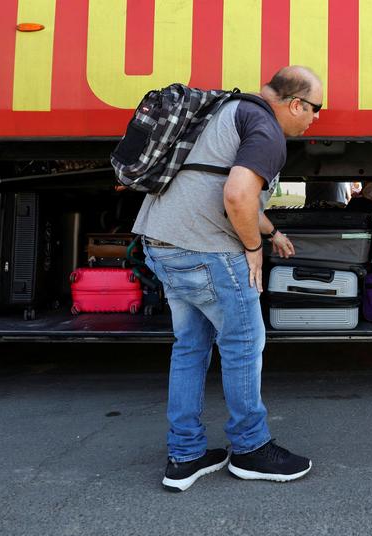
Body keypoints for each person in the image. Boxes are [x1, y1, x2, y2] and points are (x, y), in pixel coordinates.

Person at [132, 66, 323, 491]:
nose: (315, 119)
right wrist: (253, 250)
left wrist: (272, 233)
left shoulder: (227, 111)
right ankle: (251, 450)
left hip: (162, 242)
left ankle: (185, 455)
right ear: (295, 104)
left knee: (190, 347)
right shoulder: (268, 130)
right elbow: (236, 195)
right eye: (315, 109)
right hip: (208, 251)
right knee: (242, 346)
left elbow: (222, 186)